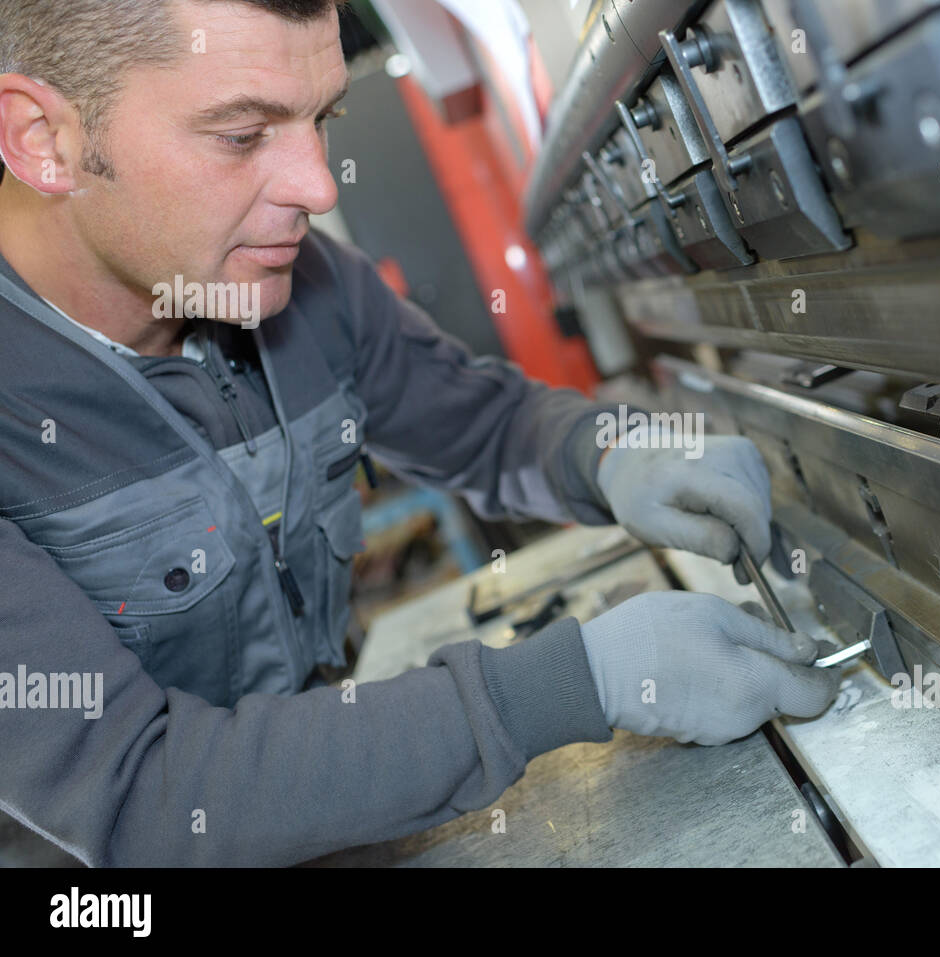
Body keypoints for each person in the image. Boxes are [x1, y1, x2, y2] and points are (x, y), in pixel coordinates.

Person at [0, 0, 837, 865]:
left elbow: (476, 420)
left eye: (321, 119)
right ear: (43, 140)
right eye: (243, 136)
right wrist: (567, 685)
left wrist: (608, 452)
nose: (319, 187)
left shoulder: (302, 284)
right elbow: (138, 794)